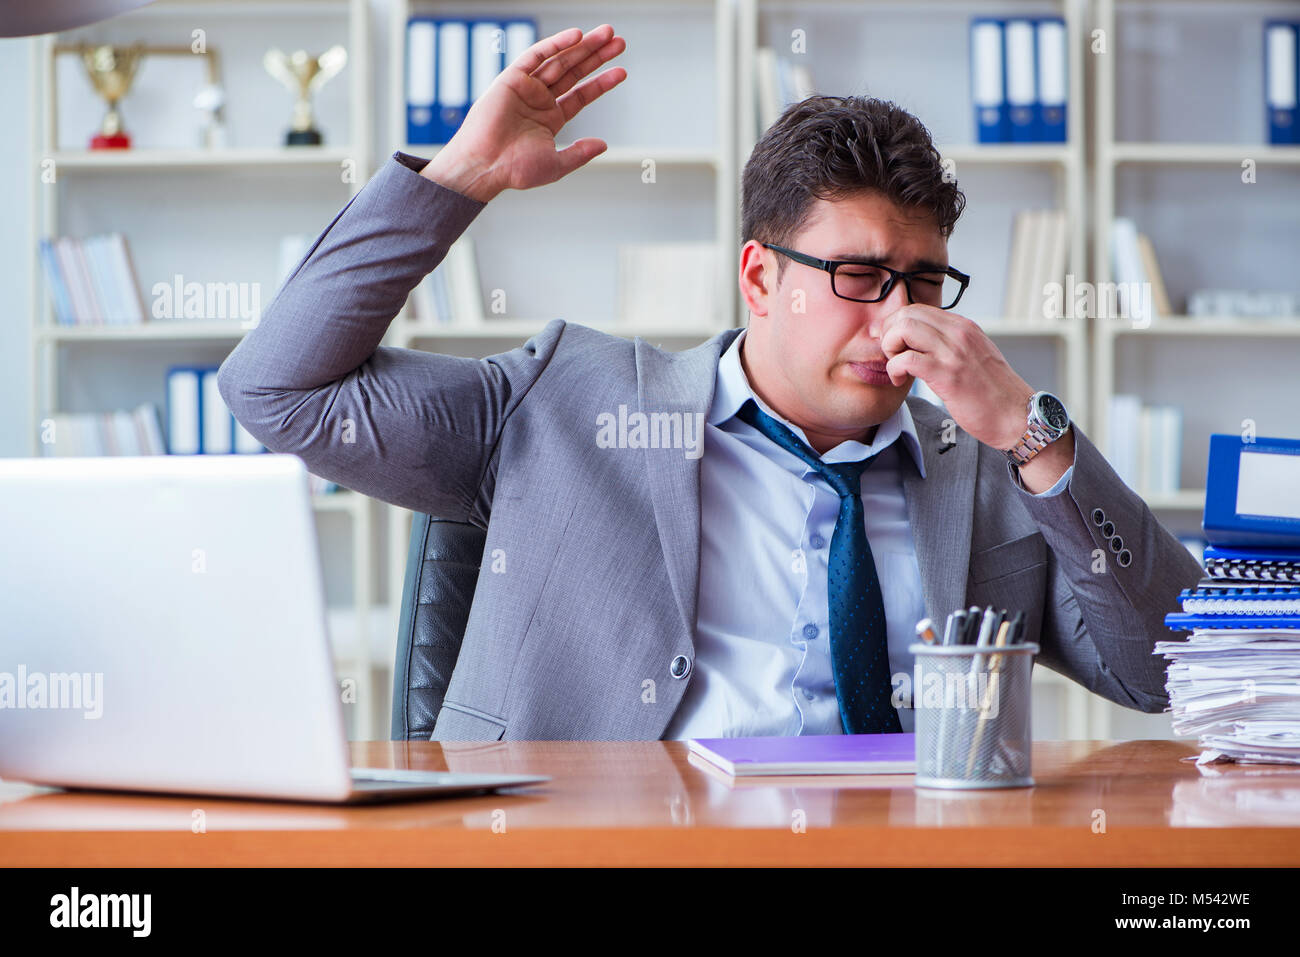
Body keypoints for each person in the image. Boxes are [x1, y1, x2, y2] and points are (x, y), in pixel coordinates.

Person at [218, 24, 1202, 740]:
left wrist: (1035, 439)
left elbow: (1171, 675)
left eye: (924, 283)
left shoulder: (990, 469)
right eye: (857, 277)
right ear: (759, 277)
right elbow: (277, 390)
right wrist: (458, 177)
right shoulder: (566, 401)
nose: (898, 318)